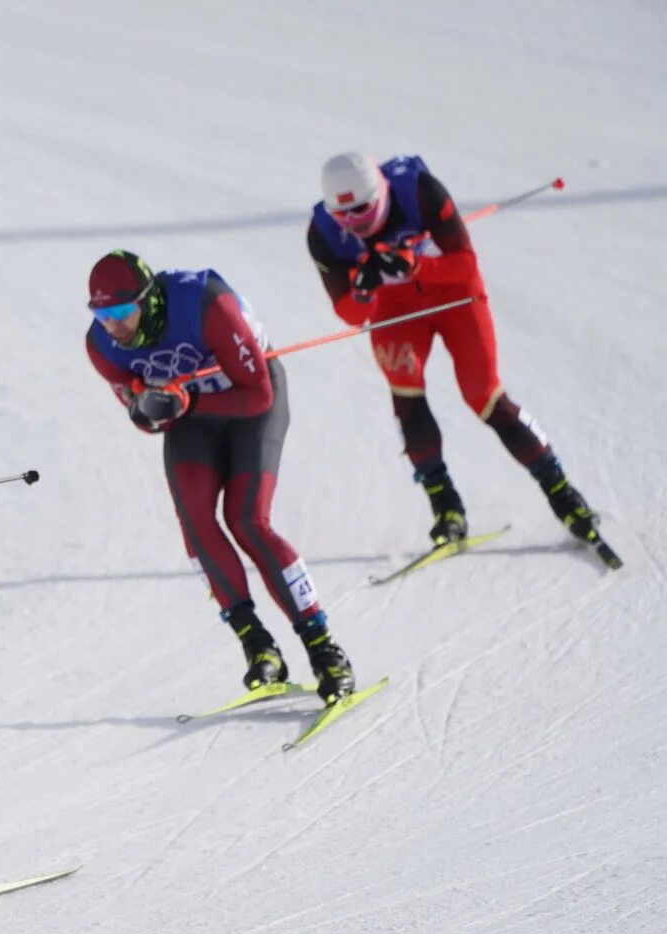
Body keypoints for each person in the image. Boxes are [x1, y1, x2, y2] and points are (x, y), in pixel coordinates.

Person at [84, 250, 357, 704]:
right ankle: (257, 645)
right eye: (101, 314)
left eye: (120, 312)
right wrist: (149, 407)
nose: (112, 325)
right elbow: (140, 415)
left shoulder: (208, 304)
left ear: (148, 300)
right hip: (194, 419)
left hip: (250, 405)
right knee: (195, 520)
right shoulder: (101, 345)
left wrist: (184, 402)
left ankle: (325, 649)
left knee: (248, 520)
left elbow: (260, 395)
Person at [307, 152, 601, 548]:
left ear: (382, 192)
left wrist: (416, 268)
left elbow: (464, 264)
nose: (355, 222)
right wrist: (364, 288)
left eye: (363, 209)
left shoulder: (419, 191)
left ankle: (562, 492)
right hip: (396, 308)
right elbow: (350, 315)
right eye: (343, 215)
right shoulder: (323, 233)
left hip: (455, 296)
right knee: (405, 391)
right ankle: (445, 506)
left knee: (484, 395)